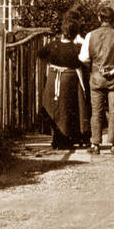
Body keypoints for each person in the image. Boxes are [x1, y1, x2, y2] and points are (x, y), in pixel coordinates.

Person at [79, 6, 114, 154]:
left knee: (96, 112)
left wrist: (94, 67)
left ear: (99, 18)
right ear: (113, 19)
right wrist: (113, 70)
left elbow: (83, 57)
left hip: (96, 78)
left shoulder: (90, 35)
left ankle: (95, 144)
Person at [36, 12, 90, 149]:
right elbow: (84, 61)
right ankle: (68, 139)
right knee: (69, 109)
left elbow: (40, 54)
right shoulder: (77, 48)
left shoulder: (53, 45)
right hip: (70, 79)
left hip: (53, 78)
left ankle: (57, 139)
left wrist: (52, 63)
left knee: (55, 108)